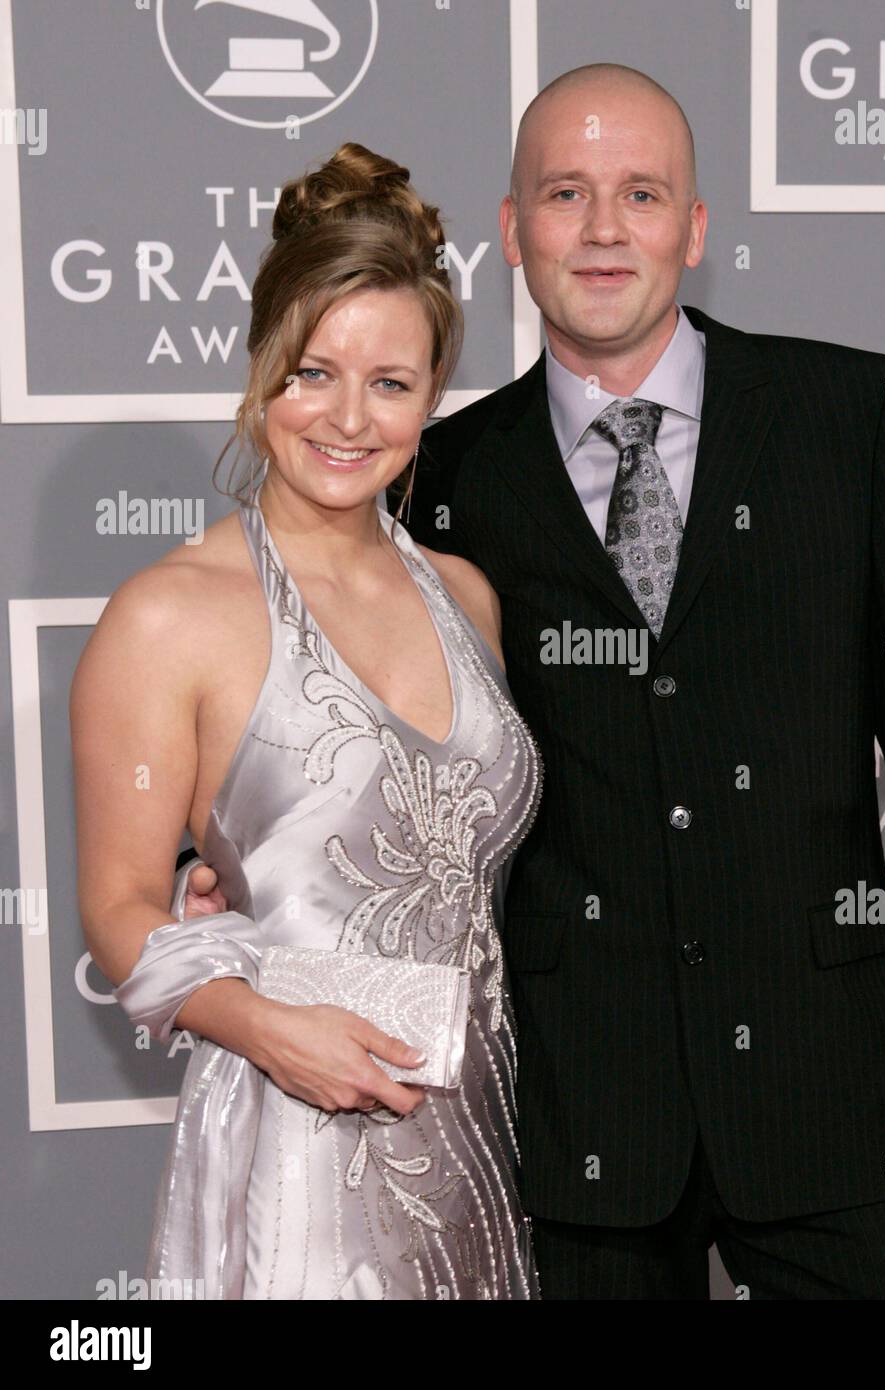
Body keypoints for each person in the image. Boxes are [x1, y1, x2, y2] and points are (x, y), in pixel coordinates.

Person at [182, 66, 885, 1300]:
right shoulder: (439, 470)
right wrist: (240, 863)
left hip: (826, 1091)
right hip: (577, 1104)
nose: (604, 229)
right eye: (565, 194)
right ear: (513, 234)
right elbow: (371, 730)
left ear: (694, 227)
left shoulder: (843, 411)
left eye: (639, 194)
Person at [71, 143, 542, 1300]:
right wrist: (266, 1025)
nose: (346, 418)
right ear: (260, 363)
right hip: (299, 1146)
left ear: (433, 394)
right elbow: (120, 906)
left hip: (486, 1139)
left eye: (390, 382)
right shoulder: (169, 614)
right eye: (312, 372)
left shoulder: (466, 594)